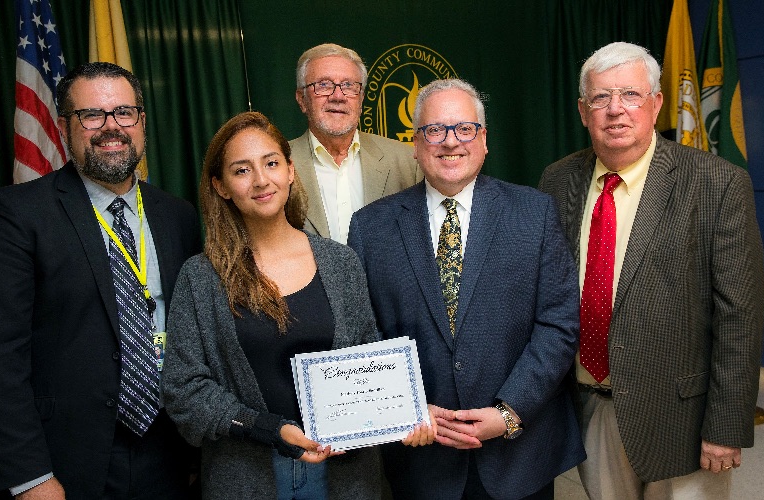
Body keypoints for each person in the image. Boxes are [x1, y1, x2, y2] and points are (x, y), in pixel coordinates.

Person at [162, 111, 433, 500]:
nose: (261, 180)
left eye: (271, 163)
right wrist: (266, 429)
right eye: (242, 170)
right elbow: (183, 388)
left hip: (345, 478)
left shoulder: (341, 263)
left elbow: (371, 359)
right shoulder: (201, 277)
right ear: (221, 186)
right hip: (247, 478)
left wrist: (406, 413)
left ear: (290, 171)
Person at [539, 42, 764, 500]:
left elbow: (739, 316)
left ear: (657, 103)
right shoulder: (557, 180)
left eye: (631, 94)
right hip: (591, 405)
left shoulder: (716, 182)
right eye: (601, 97)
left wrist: (725, 426)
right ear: (583, 111)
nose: (615, 109)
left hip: (683, 416)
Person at [0, 62, 201, 499]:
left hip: (166, 455)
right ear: (63, 127)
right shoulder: (16, 216)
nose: (111, 127)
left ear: (142, 122)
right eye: (91, 115)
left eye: (124, 112)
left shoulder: (178, 216)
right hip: (62, 460)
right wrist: (30, 478)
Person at [347, 79, 585, 500]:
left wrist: (509, 411)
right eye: (434, 130)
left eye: (464, 128)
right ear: (416, 144)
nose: (450, 141)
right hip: (422, 459)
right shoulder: (371, 227)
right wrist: (404, 406)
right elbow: (363, 335)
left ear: (484, 140)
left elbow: (559, 324)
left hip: (519, 454)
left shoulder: (534, 213)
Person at [291, 43, 422, 244]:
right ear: (302, 99)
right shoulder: (278, 164)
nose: (338, 96)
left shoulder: (408, 162)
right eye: (323, 85)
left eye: (348, 86)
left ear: (361, 99)